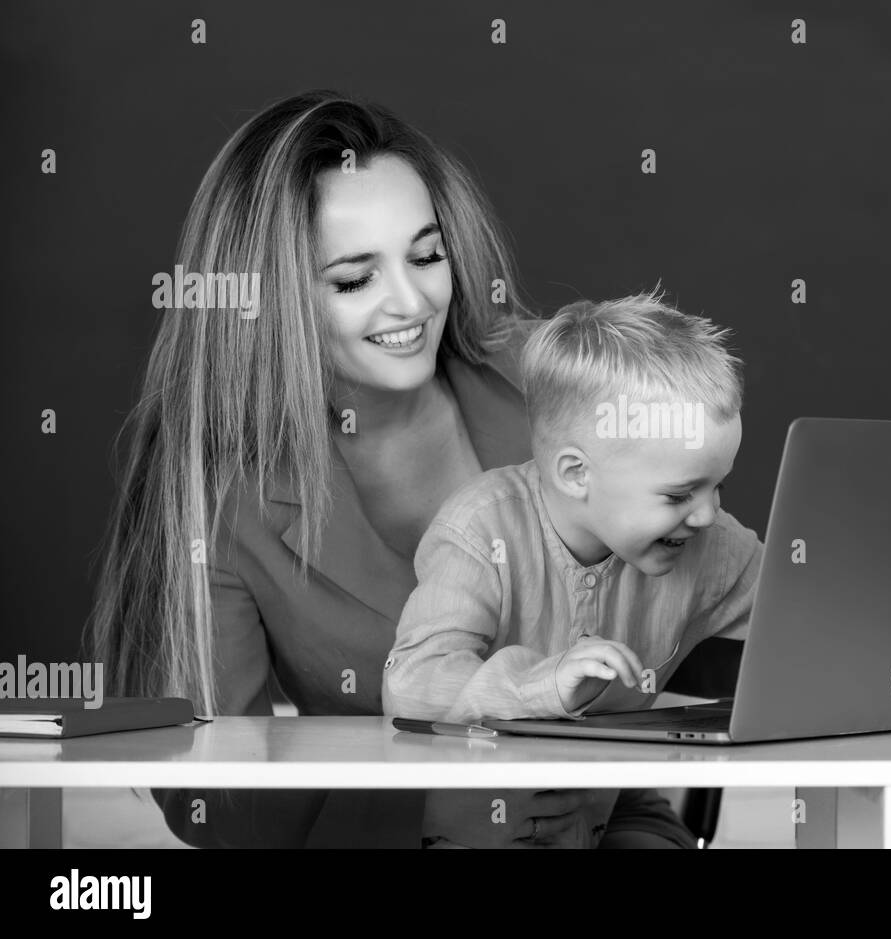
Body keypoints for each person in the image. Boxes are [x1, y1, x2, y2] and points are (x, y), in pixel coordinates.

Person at [87, 89, 689, 848]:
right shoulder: (216, 490)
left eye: (426, 255)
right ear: (268, 303)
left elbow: (695, 580)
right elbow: (214, 796)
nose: (410, 302)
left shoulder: (546, 382)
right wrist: (435, 811)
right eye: (352, 279)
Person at [384, 292, 891, 846]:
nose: (705, 512)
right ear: (576, 472)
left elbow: (853, 616)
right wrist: (541, 683)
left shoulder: (707, 543)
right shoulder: (478, 527)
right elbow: (414, 682)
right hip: (492, 824)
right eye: (679, 491)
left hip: (620, 810)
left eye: (718, 483)